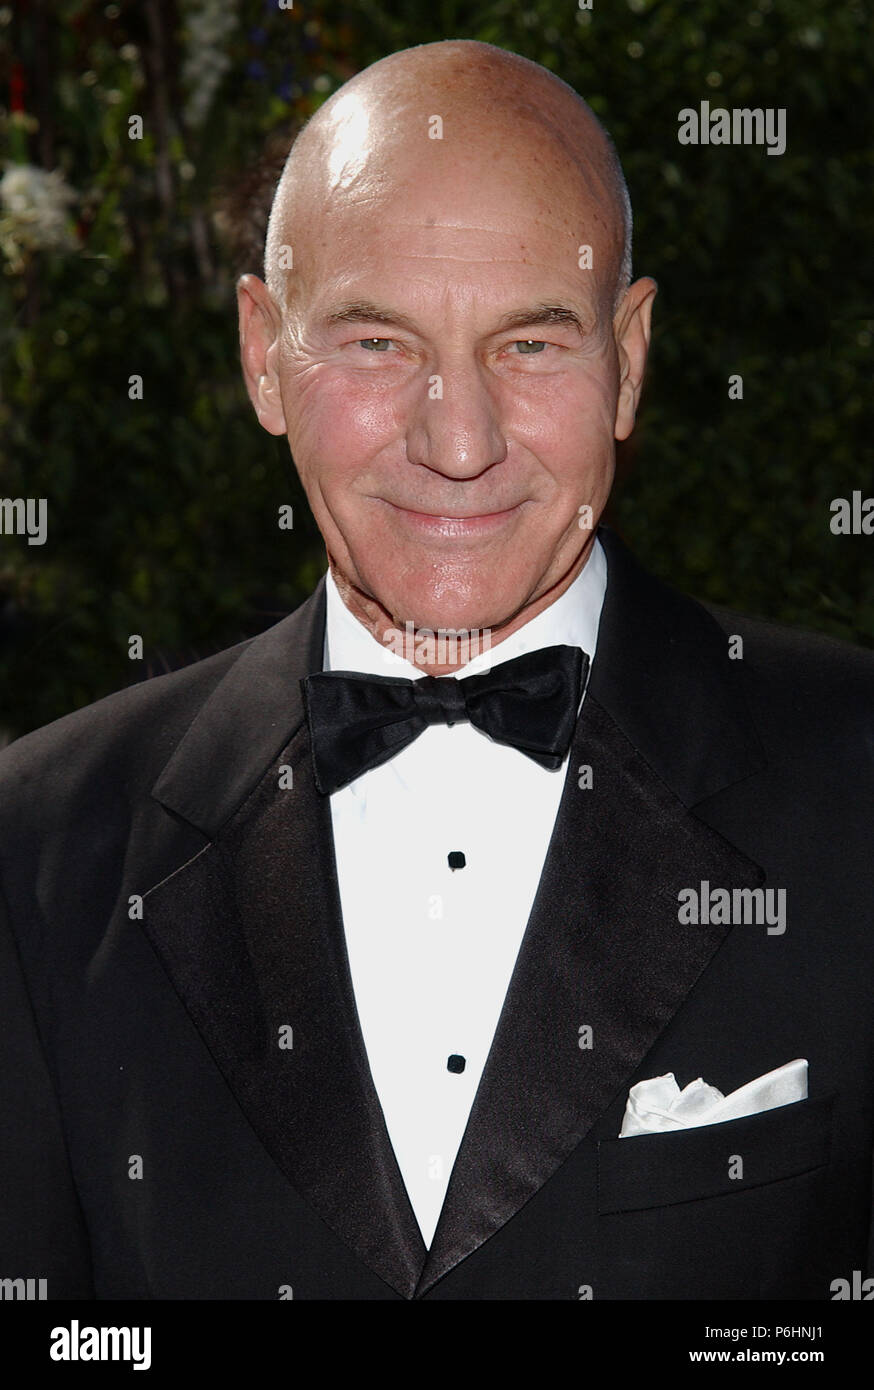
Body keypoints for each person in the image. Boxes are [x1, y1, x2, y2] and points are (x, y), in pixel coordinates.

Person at [0, 39, 871, 1302]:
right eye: (373, 342)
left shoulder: (852, 786)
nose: (456, 441)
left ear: (628, 356)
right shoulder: (41, 851)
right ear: (263, 353)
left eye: (530, 344)